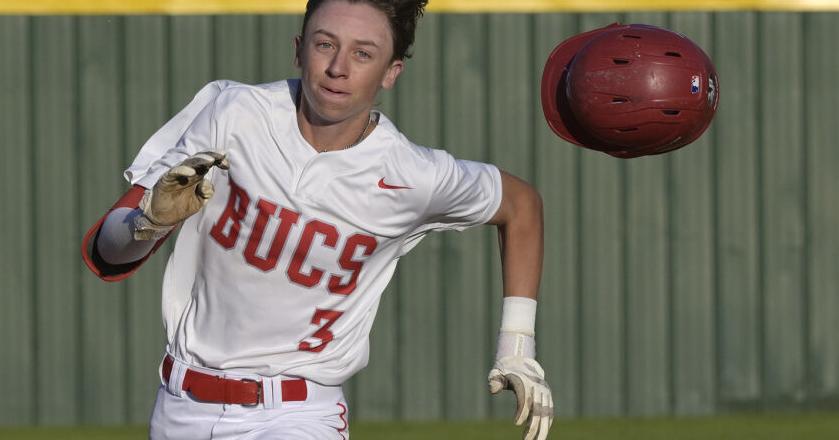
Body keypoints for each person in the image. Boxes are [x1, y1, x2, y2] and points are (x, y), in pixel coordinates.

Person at [82, 0, 553, 439]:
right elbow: (106, 252)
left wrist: (517, 345)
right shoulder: (234, 113)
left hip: (297, 413)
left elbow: (521, 205)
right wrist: (149, 222)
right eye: (325, 43)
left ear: (392, 73)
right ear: (298, 49)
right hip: (178, 406)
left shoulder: (413, 174)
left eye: (363, 53)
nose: (338, 67)